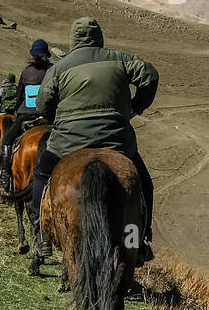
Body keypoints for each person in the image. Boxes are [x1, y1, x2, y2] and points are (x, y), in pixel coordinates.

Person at [30, 17, 157, 263]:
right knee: (144, 184)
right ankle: (139, 241)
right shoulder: (120, 59)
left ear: (73, 39)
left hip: (68, 143)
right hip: (116, 141)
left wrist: (57, 117)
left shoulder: (59, 68)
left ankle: (41, 233)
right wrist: (134, 108)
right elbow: (149, 76)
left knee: (41, 176)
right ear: (99, 37)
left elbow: (43, 103)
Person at [0, 40, 53, 192]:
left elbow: (19, 96)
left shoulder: (26, 72)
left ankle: (5, 176)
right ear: (47, 54)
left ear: (32, 55)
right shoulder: (53, 70)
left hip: (26, 115)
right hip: (49, 116)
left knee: (7, 141)